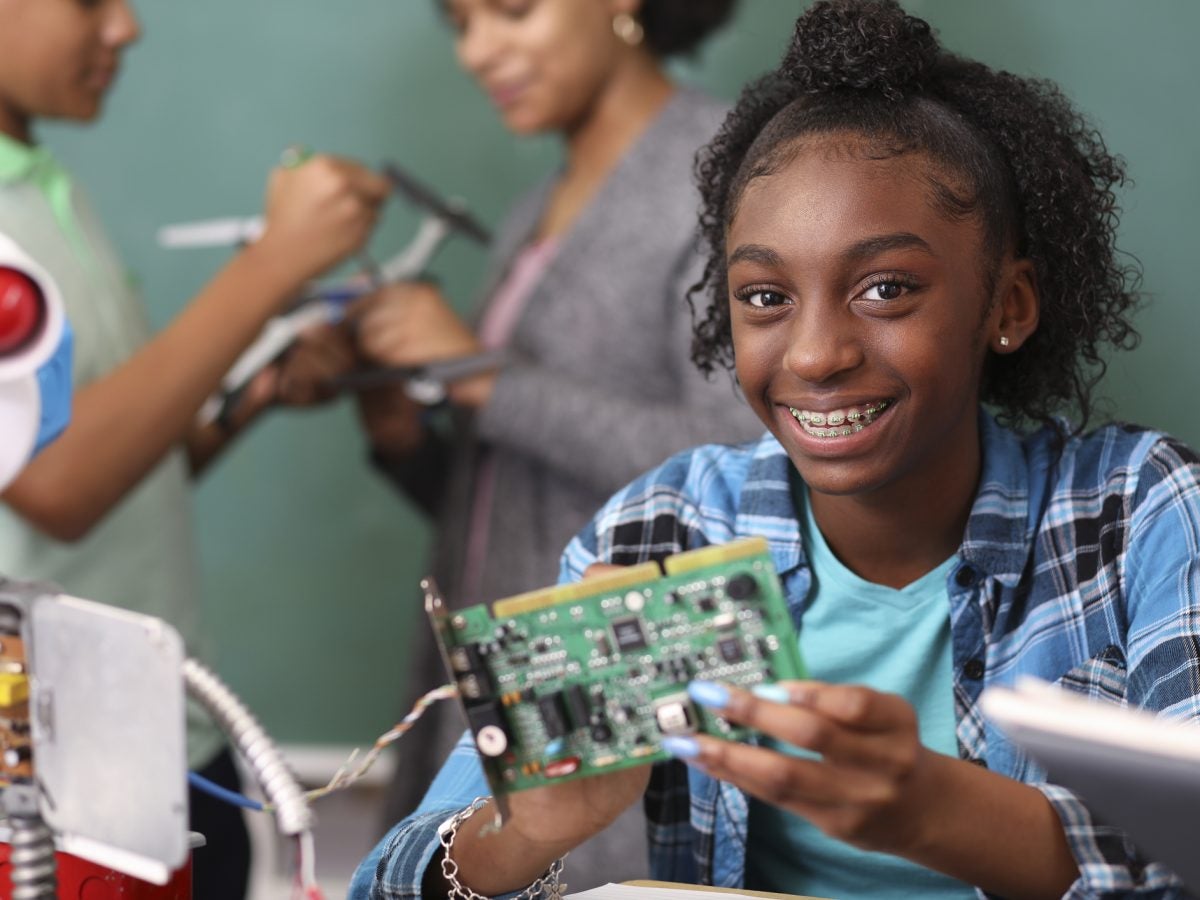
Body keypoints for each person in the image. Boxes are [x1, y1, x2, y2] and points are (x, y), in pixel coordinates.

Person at [349, 1, 1200, 898]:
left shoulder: (1140, 515)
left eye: (885, 288)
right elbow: (387, 884)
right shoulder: (663, 533)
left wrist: (929, 808)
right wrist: (520, 828)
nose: (813, 354)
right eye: (764, 297)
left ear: (1009, 306)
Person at [285, 0, 763, 886]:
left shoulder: (723, 178)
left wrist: (478, 376)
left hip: (616, 696)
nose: (478, 51)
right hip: (492, 698)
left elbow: (739, 465)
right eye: (460, 23)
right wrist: (402, 428)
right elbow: (522, 502)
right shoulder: (541, 203)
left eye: (510, 10)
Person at [0, 1, 391, 897]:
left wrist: (251, 394)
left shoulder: (41, 186)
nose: (126, 28)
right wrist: (272, 264)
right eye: (90, 0)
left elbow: (118, 465)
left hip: (173, 744)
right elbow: (55, 481)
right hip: (57, 785)